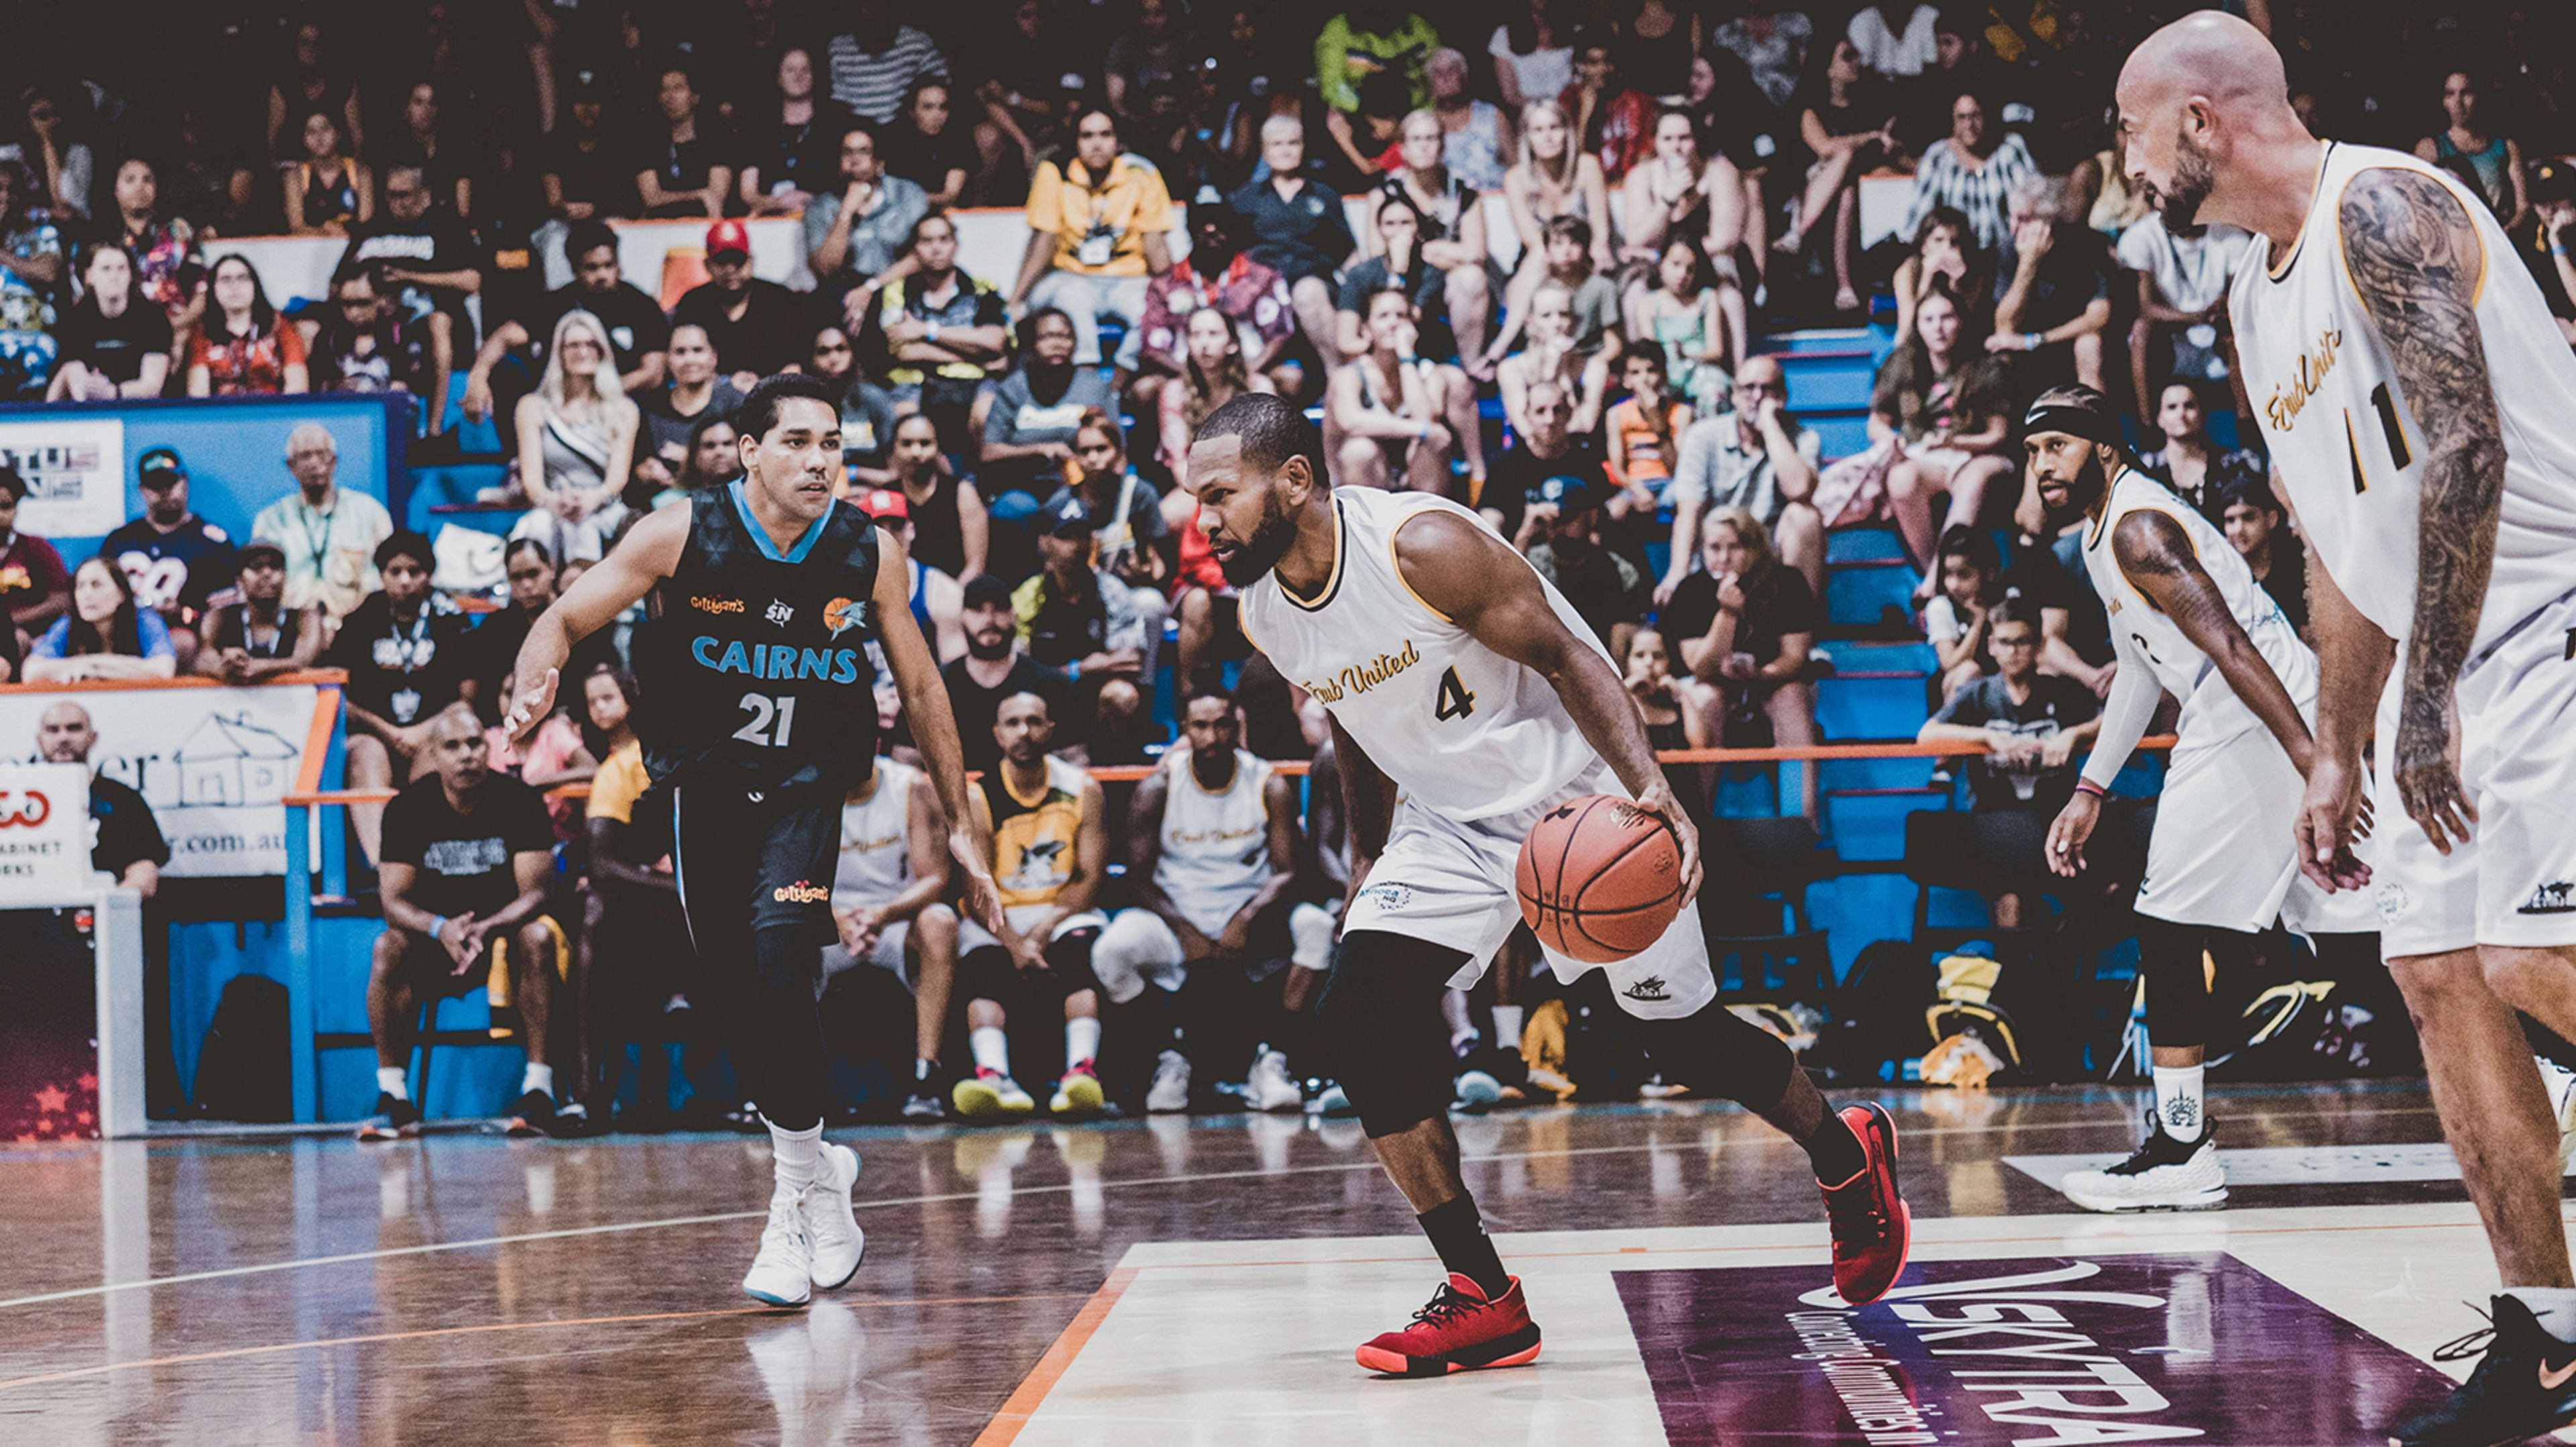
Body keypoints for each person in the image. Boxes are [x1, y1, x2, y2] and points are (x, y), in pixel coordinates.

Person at [1185, 392, 1907, 1373]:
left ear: (1296, 481)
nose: (1205, 520)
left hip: (1578, 807)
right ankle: (1483, 1292)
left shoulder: (1423, 544)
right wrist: (1367, 855)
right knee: (1355, 1021)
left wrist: (1650, 787)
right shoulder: (1266, 611)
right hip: (1449, 821)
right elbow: (1356, 712)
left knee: (1677, 1036)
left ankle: (1842, 1149)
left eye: (1221, 494)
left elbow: (1569, 656)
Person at [2121, 18, 2576, 1441]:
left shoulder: (2377, 203)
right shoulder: (2254, 304)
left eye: (2131, 134)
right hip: (2448, 657)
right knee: (2439, 973)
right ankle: (2551, 1337)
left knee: (2533, 954)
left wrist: (2426, 692)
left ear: (2199, 119)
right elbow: (2338, 544)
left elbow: (2469, 445)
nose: (2124, 168)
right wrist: (2338, 740)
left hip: (2548, 612)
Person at [501, 372, 1001, 1308]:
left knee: (783, 960)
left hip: (808, 789)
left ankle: (791, 1199)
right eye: (802, 442)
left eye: (835, 444)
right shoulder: (680, 531)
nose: (822, 460)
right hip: (705, 792)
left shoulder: (866, 551)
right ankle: (819, 1173)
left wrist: (964, 831)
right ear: (750, 453)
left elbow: (927, 691)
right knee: (736, 996)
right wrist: (535, 678)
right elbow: (565, 617)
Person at [2029, 385, 2381, 1212]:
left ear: (2105, 449)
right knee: (2362, 915)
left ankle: (2183, 1149)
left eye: (2058, 447)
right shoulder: (2102, 532)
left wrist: (2316, 762)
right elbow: (2144, 670)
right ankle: (2549, 1074)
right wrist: (2091, 787)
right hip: (2244, 722)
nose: (2042, 465)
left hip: (2257, 722)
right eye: (2034, 450)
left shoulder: (2140, 528)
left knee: (2166, 923)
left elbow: (2231, 643)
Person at [1099, 686, 1326, 1114]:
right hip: (1176, 914)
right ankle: (1169, 1058)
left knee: (1317, 928)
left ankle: (1273, 1059)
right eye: (1200, 726)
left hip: (1251, 913)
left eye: (1222, 725)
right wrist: (1182, 928)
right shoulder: (1159, 787)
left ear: (1237, 728)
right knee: (1112, 952)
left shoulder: (1267, 784)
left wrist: (1247, 918)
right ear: (1184, 729)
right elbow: (1138, 878)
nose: (1212, 737)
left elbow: (1287, 871)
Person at [357, 706, 565, 1141]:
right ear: (433, 754)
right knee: (387, 947)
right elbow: (393, 901)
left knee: (539, 935)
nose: (466, 755)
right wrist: (441, 929)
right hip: (435, 939)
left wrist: (484, 928)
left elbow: (538, 892)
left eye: (474, 744)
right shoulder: (408, 808)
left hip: (502, 934)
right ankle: (392, 1097)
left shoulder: (519, 800)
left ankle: (539, 1091)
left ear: (488, 747)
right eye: (452, 746)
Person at [949, 689, 1110, 1119]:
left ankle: (1081, 1073)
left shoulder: (1082, 789)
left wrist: (1040, 931)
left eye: (1035, 721)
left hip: (1063, 909)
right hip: (998, 914)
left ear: (1050, 730)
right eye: (1014, 723)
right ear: (997, 734)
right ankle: (994, 1078)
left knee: (1079, 953)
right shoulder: (979, 798)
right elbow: (976, 891)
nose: (1025, 732)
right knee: (984, 965)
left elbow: (1089, 879)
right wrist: (1014, 942)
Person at [1915, 596, 2101, 926]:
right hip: (1995, 832)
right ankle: (2016, 973)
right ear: (1991, 646)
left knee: (2100, 886)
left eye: (2023, 642)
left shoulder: (2060, 691)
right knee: (2010, 901)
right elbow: (1927, 736)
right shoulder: (1978, 694)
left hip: (2052, 831)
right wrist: (1986, 737)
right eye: (2005, 642)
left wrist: (2074, 734)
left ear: (2037, 646)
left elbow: (2113, 720)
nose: (2014, 651)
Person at [820, 745, 960, 1121]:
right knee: (777, 928)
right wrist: (837, 918)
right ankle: (786, 1083)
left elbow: (935, 877)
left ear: (873, 742)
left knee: (941, 922)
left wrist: (884, 914)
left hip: (897, 918)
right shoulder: (802, 788)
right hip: (827, 920)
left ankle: (926, 1076)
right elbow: (789, 879)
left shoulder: (909, 787)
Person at [1663, 507, 1822, 812]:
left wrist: (1759, 674)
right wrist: (1728, 614)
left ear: (1754, 548)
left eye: (1735, 547)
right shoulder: (1691, 591)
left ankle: (1803, 819)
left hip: (1774, 680)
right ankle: (1698, 819)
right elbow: (1701, 667)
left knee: (1791, 697)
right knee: (1705, 698)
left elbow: (1795, 658)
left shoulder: (1787, 582)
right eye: (1714, 548)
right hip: (1715, 685)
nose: (1723, 558)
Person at [331, 531, 476, 865]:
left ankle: (420, 864)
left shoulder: (452, 620)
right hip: (376, 733)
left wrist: (419, 733)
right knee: (365, 753)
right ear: (381, 575)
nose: (405, 581)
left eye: (415, 571)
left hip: (433, 732)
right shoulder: (360, 620)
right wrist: (387, 731)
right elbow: (339, 698)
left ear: (429, 575)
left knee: (442, 750)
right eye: (395, 572)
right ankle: (381, 865)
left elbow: (466, 701)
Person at [1009, 109, 1175, 372]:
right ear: (1075, 141)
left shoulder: (1141, 173)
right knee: (1071, 300)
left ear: (1118, 141)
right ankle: (1086, 378)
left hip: (1128, 279)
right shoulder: (1055, 171)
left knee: (1152, 310)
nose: (1097, 144)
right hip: (1071, 276)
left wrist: (1173, 292)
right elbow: (1043, 242)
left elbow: (1156, 247)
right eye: (1087, 136)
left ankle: (1118, 381)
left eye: (1105, 134)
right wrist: (1015, 299)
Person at [463, 221, 670, 433]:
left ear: (619, 265)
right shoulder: (557, 304)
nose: (602, 275)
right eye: (592, 268)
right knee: (505, 370)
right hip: (559, 405)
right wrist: (478, 376)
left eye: (609, 265)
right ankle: (519, 458)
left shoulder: (641, 306)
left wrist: (595, 395)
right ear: (574, 269)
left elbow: (652, 375)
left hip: (621, 404)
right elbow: (504, 336)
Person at [1870, 278, 2015, 572]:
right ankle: (1931, 569)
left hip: (1978, 456)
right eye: (1928, 319)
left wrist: (1953, 443)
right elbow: (1877, 422)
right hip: (1925, 457)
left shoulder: (1986, 366)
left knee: (1974, 478)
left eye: (1947, 317)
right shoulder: (1901, 362)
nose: (1938, 327)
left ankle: (1939, 575)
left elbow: (1998, 435)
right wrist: (1891, 440)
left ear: (1961, 321)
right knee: (1901, 479)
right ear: (1918, 325)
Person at [1663, 356, 1825, 604]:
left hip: (1769, 556)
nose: (1757, 396)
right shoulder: (1703, 436)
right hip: (1719, 550)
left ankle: (1796, 626)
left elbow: (1800, 490)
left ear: (1782, 395)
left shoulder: (1804, 439)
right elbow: (1689, 509)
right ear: (1734, 395)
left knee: (1806, 516)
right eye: (1748, 388)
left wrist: (1769, 425)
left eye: (1767, 388)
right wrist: (1677, 571)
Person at [1012, 495, 1155, 763]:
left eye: (1082, 536)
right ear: (1045, 542)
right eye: (1065, 536)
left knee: (1121, 695)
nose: (1076, 546)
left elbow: (1130, 662)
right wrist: (1082, 669)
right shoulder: (1027, 598)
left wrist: (1057, 670)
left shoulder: (1113, 593)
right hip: (1046, 702)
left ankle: (1116, 777)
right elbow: (1018, 670)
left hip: (1095, 705)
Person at [1139, 203, 1295, 431]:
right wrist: (1194, 375)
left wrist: (1247, 371)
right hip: (1184, 369)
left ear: (1232, 231)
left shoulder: (1262, 278)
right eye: (1202, 225)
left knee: (1290, 379)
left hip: (1248, 364)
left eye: (1219, 225)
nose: (1211, 230)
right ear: (1189, 230)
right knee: (1145, 389)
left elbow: (1280, 335)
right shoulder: (1165, 283)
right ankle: (1160, 463)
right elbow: (1153, 347)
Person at [338, 164, 479, 413]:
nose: (396, 202)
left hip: (429, 315)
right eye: (391, 195)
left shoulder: (447, 227)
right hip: (375, 317)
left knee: (439, 323)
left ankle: (435, 429)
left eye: (404, 195)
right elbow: (338, 282)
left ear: (424, 195)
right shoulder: (372, 229)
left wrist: (410, 276)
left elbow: (472, 281)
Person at [1365, 111, 1496, 372]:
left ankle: (1470, 366)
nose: (1424, 145)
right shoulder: (1385, 194)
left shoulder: (1464, 191)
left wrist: (1423, 252)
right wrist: (1432, 252)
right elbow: (1378, 254)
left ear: (1443, 145)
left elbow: (1476, 252)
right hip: (1405, 282)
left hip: (1451, 286)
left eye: (1431, 138)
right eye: (1416, 139)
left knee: (1472, 277)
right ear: (1402, 148)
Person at [509, 309, 641, 564]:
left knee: (587, 530)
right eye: (574, 345)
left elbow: (617, 478)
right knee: (537, 529)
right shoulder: (532, 407)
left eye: (591, 344)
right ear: (559, 352)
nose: (583, 351)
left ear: (603, 350)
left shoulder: (624, 408)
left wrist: (593, 499)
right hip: (552, 503)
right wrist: (553, 501)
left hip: (604, 504)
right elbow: (532, 481)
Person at [873, 211, 1008, 452]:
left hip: (973, 383)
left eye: (944, 239)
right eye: (927, 241)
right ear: (915, 248)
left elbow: (995, 341)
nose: (936, 249)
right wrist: (973, 354)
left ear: (956, 244)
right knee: (904, 419)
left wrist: (926, 330)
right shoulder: (897, 292)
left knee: (987, 412)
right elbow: (904, 350)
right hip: (917, 384)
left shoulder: (982, 290)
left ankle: (985, 485)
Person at [1229, 117, 1357, 370]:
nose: (1286, 150)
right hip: (1261, 287)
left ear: (1303, 147)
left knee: (1308, 292)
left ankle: (1339, 378)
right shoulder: (1245, 199)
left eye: (1293, 143)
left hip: (1313, 284)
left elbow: (1347, 255)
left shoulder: (1324, 195)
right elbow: (1231, 254)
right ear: (1265, 152)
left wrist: (1361, 301)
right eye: (1277, 144)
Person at [1784, 39, 1900, 313]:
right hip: (1814, 184)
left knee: (1850, 189)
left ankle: (1840, 277)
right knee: (1843, 157)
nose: (1855, 62)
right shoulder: (1811, 110)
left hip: (1854, 187)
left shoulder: (1869, 106)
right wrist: (1870, 136)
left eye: (1856, 55)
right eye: (1846, 57)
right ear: (1828, 69)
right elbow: (1824, 148)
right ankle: (1802, 234)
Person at [1494, 103, 1611, 367]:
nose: (1548, 136)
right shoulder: (1516, 178)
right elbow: (1531, 239)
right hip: (1538, 262)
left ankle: (1498, 350)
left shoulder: (1587, 166)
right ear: (1528, 137)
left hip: (1584, 258)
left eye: (1554, 128)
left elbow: (1601, 230)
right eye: (1538, 130)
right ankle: (1510, 352)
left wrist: (1597, 248)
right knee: (1539, 256)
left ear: (1567, 132)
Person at [1328, 286, 1474, 494]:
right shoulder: (1348, 375)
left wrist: (1406, 357)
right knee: (1360, 450)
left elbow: (1426, 418)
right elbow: (1351, 421)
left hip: (1415, 472)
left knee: (1434, 445)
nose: (1394, 323)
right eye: (1383, 316)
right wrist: (1420, 430)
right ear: (1366, 329)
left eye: (1401, 316)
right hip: (1367, 473)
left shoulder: (1427, 373)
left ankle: (1425, 519)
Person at [101, 447, 232, 670]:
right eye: (155, 486)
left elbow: (228, 605)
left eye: (170, 483)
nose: (164, 493)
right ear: (142, 490)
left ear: (185, 481)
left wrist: (185, 612)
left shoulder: (212, 542)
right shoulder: (120, 541)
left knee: (182, 644)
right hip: (124, 632)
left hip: (187, 636)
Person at [250, 424, 392, 623]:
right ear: (291, 466)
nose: (315, 463)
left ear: (334, 461)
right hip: (292, 630)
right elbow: (259, 583)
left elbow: (385, 580)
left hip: (357, 628)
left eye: (322, 454)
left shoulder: (370, 513)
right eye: (305, 456)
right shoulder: (270, 520)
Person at [1988, 177, 2114, 396]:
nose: (2014, 227)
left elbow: (2099, 317)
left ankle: (2093, 423)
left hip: (2067, 336)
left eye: (2024, 219)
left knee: (2090, 344)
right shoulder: (2010, 248)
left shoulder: (2087, 246)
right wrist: (2028, 264)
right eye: (2012, 217)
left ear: (2050, 221)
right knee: (2003, 344)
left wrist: (2034, 341)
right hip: (2025, 337)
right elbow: (2005, 322)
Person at [977, 308, 1114, 511]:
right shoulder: (1013, 388)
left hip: (1081, 488)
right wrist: (1039, 450)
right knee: (1015, 509)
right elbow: (989, 452)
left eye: (1064, 336)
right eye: (1047, 337)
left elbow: (1117, 446)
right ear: (1032, 345)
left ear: (1075, 344)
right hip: (1023, 488)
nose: (1057, 343)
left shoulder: (1094, 388)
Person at [944, 574, 1073, 774]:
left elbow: (1074, 763)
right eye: (978, 610)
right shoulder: (938, 687)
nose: (989, 619)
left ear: (1014, 615)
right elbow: (908, 764)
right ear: (962, 616)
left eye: (999, 609)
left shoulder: (1052, 685)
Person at [35, 702, 166, 900]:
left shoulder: (123, 799)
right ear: (39, 740)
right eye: (53, 730)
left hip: (102, 917)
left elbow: (144, 876)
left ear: (93, 738)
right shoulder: (19, 801)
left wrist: (102, 907)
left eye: (74, 728)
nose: (63, 738)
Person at [1516, 470, 1648, 657]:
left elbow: (1628, 641)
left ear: (1592, 516)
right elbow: (1499, 599)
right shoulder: (1530, 565)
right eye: (1552, 520)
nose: (1559, 529)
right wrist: (1525, 534)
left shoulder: (1619, 572)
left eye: (1568, 518)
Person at [804, 119, 928, 312]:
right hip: (842, 295)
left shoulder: (908, 194)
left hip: (899, 289)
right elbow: (826, 269)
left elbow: (923, 256)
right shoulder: (820, 206)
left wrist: (870, 289)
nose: (855, 160)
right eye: (847, 152)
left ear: (880, 161)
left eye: (864, 151)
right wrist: (846, 212)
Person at [1897, 89, 2036, 254]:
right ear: (1952, 121)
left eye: (1975, 116)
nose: (1969, 125)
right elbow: (1920, 217)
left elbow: (2034, 203)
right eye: (1962, 117)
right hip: (1956, 254)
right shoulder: (1938, 156)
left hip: (2006, 253)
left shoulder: (2010, 149)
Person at [676, 219, 810, 386]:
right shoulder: (692, 304)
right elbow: (681, 365)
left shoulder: (780, 299)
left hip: (773, 395)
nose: (730, 269)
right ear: (707, 265)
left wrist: (762, 387)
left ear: (751, 261)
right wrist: (726, 386)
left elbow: (794, 365)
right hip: (710, 397)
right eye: (722, 261)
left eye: (737, 260)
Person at [1160, 304, 1276, 494]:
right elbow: (1179, 461)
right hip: (1199, 487)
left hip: (1250, 486)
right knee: (1170, 513)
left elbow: (1267, 456)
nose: (1204, 343)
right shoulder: (1175, 392)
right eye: (1195, 335)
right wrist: (1211, 496)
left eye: (1213, 334)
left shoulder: (1259, 388)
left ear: (1233, 344)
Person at [1627, 237, 1737, 418]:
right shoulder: (1649, 303)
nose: (1682, 274)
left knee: (1714, 390)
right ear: (1662, 264)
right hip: (1664, 372)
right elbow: (1649, 351)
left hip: (1700, 370)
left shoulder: (1707, 298)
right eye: (1676, 265)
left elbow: (1716, 351)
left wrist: (1685, 355)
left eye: (1690, 269)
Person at [741, 48, 856, 218]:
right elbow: (748, 192)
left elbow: (849, 183)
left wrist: (813, 200)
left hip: (824, 217)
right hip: (770, 218)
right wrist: (777, 202)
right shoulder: (759, 127)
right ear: (778, 78)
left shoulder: (836, 124)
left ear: (814, 76)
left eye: (805, 70)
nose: (798, 76)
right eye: (790, 70)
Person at [854, 487, 966, 662]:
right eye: (876, 529)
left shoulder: (943, 592)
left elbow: (955, 676)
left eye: (896, 527)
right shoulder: (841, 592)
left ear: (910, 530)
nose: (888, 537)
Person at [23, 556, 178, 682]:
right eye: (80, 586)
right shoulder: (67, 625)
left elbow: (163, 670)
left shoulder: (146, 621)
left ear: (121, 594)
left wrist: (92, 667)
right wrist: (105, 667)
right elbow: (31, 672)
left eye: (96, 585)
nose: (87, 594)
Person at [47, 242, 170, 401]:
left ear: (131, 275)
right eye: (106, 269)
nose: (114, 276)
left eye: (121, 269)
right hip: (90, 409)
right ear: (90, 276)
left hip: (142, 409)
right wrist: (91, 389)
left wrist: (113, 393)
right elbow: (75, 377)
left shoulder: (153, 318)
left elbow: (152, 386)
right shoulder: (74, 320)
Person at [305, 266, 441, 407]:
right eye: (347, 304)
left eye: (363, 303)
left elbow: (412, 387)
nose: (354, 312)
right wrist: (336, 386)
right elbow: (318, 388)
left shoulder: (401, 337)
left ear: (381, 300)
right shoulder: (329, 339)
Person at [2415, 70, 2529, 233]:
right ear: (2444, 102)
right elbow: (2417, 203)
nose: (2458, 101)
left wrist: (2508, 230)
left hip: (2497, 234)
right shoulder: (2430, 148)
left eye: (2465, 93)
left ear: (2480, 98)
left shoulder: (2505, 147)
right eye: (2450, 94)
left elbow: (2523, 206)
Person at [2133, 380, 2264, 520]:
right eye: (2172, 407)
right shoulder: (2144, 469)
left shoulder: (2231, 465)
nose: (2181, 414)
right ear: (2160, 419)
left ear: (2203, 415)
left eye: (2189, 406)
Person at [197, 543, 323, 684]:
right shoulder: (219, 617)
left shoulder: (305, 617)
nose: (267, 574)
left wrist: (259, 667)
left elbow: (303, 660)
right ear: (239, 579)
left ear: (285, 576)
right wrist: (227, 665)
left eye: (275, 567)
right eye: (256, 566)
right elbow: (202, 660)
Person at [1496, 282, 1609, 439]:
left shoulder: (1594, 368)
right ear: (1530, 324)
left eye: (1564, 314)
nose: (1556, 323)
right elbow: (1527, 430)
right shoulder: (1511, 369)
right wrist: (1551, 373)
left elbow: (1584, 426)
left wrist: (1563, 376)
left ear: (1575, 322)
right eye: (1546, 316)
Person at [186, 254, 309, 396]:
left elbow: (297, 386)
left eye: (242, 278)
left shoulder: (280, 326)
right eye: (225, 280)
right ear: (214, 289)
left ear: (255, 285)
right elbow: (198, 393)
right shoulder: (202, 333)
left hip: (273, 413)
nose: (235, 286)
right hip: (220, 415)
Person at [638, 325, 745, 477]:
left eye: (698, 350)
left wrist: (689, 458)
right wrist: (647, 471)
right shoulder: (653, 405)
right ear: (668, 359)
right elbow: (640, 463)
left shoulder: (735, 402)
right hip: (666, 496)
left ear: (714, 358)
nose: (689, 360)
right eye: (680, 352)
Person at [2212, 474, 2308, 637]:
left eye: (2249, 518)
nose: (2238, 529)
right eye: (2230, 520)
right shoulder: (2220, 577)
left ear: (2271, 519)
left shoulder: (2295, 570)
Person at [824, 0, 950, 125]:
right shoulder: (839, 49)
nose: (874, 10)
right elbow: (838, 101)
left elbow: (942, 88)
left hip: (907, 131)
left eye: (880, 3)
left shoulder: (917, 44)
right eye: (867, 4)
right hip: (858, 134)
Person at [633, 66, 734, 220]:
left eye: (678, 89)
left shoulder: (716, 142)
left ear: (695, 97)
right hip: (658, 227)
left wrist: (676, 199)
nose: (669, 97)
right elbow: (651, 198)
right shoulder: (648, 142)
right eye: (664, 90)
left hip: (702, 226)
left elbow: (716, 197)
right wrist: (698, 195)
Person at [0, 158, 62, 399]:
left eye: (11, 190)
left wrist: (5, 257)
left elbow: (48, 273)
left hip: (32, 344)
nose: (5, 196)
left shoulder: (39, 234)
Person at [1922, 524, 2005, 697]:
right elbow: (1950, 663)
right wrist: (1978, 623)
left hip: (1998, 687)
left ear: (1989, 573)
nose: (1954, 585)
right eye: (1948, 574)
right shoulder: (1941, 607)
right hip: (1954, 690)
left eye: (1964, 575)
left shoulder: (2006, 601)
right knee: (1969, 670)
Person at [1892, 207, 1990, 347]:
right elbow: (1907, 332)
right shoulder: (1908, 272)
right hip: (1915, 347)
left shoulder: (1975, 275)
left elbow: (1964, 330)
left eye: (1954, 242)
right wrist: (1927, 277)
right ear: (1924, 247)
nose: (1947, 248)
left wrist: (1956, 284)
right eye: (1939, 240)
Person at [1424, 48, 1510, 194]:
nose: (1445, 78)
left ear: (1464, 78)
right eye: (1438, 74)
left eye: (1452, 71)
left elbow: (1515, 166)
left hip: (1493, 198)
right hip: (1445, 205)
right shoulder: (1425, 123)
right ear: (1431, 82)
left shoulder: (1493, 115)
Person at [0, 465, 68, 648]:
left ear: (17, 508)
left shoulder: (36, 548)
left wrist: (12, 622)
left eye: (5, 506)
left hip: (31, 639)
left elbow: (61, 600)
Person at [880, 78, 973, 210]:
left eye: (943, 107)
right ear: (912, 112)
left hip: (942, 213)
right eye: (928, 107)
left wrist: (908, 197)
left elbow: (950, 196)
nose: (937, 115)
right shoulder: (893, 139)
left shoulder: (958, 139)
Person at [282, 110, 372, 237]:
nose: (319, 138)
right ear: (304, 140)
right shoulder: (296, 175)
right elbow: (297, 227)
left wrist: (344, 232)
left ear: (338, 133)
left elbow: (366, 222)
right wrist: (327, 231)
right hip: (314, 246)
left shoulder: (360, 171)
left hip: (353, 243)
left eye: (325, 129)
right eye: (311, 132)